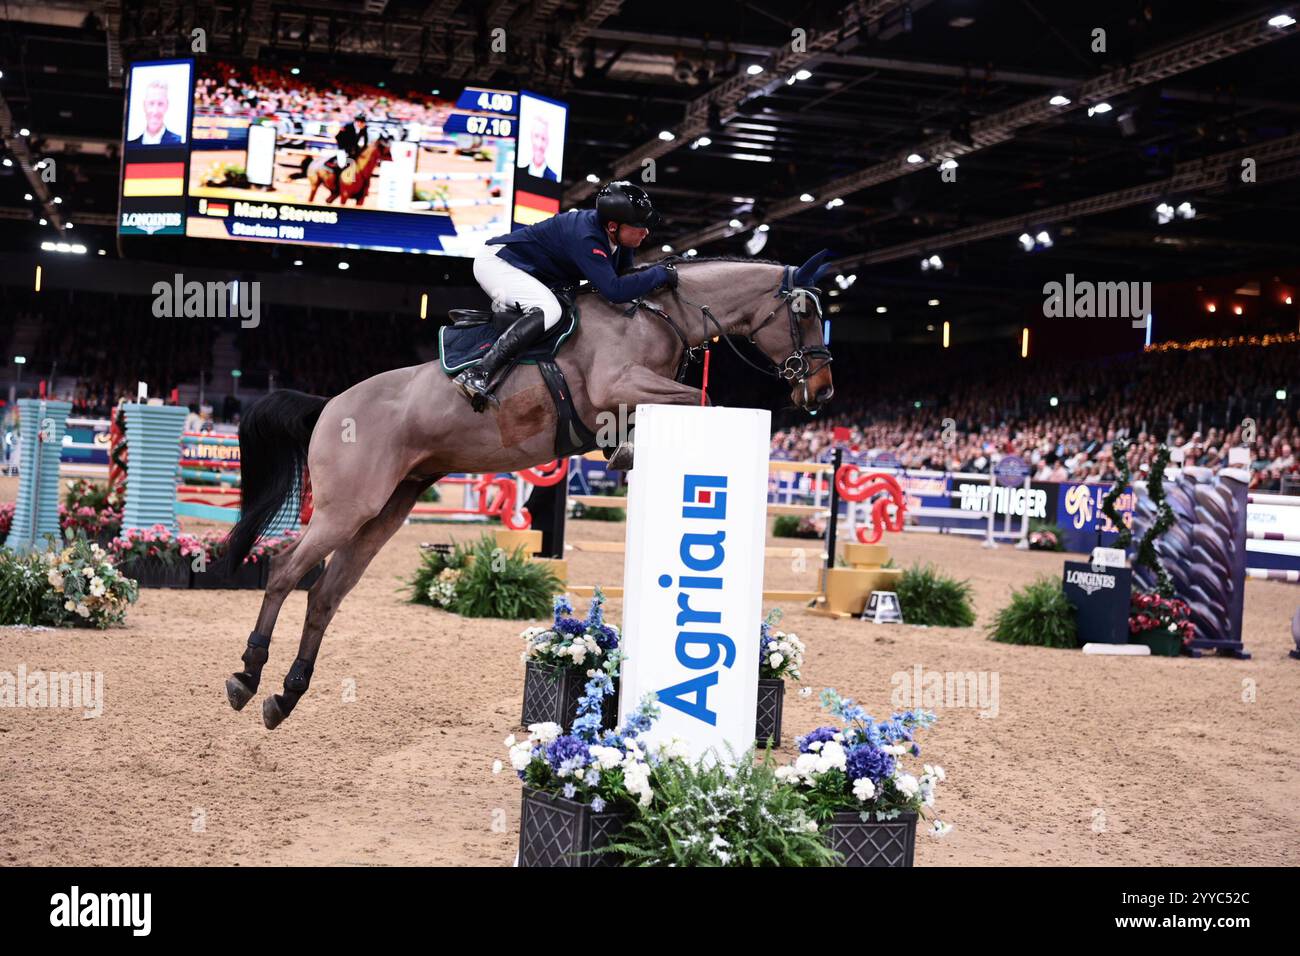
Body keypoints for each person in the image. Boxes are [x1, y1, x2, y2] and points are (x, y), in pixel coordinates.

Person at [452, 181, 677, 411]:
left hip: (534, 271)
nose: (646, 232)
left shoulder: (620, 236)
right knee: (549, 310)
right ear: (612, 226)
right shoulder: (586, 237)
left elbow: (625, 276)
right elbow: (615, 291)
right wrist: (658, 274)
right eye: (639, 226)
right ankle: (477, 373)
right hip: (498, 264)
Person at [128, 80, 184, 146]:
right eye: (151, 103)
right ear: (144, 105)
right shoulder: (132, 145)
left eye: (160, 104)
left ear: (167, 106)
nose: (155, 111)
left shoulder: (179, 142)